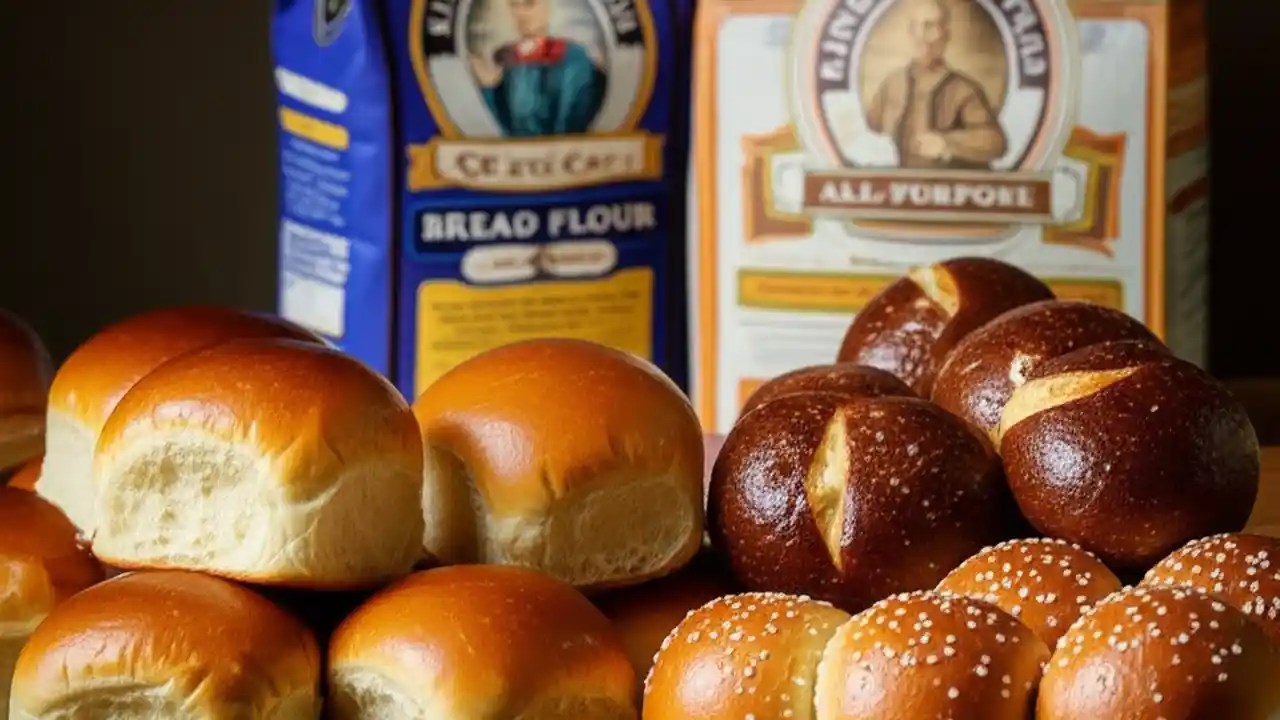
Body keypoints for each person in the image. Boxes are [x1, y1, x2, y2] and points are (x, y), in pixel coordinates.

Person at [865, 0, 1007, 169]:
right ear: (911, 33)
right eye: (919, 27)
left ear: (945, 35)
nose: (925, 36)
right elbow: (866, 129)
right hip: (899, 185)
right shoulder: (892, 84)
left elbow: (994, 142)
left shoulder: (964, 90)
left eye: (931, 26)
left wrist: (946, 143)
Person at [470, 0, 607, 137]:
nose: (520, 13)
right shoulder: (507, 60)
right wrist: (488, 90)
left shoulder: (573, 58)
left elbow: (572, 124)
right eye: (514, 5)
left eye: (529, 4)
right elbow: (503, 125)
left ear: (547, 7)